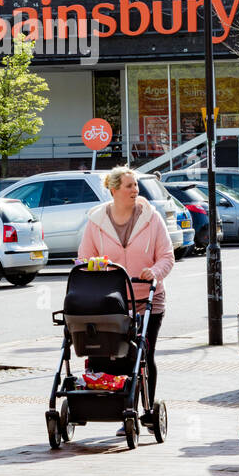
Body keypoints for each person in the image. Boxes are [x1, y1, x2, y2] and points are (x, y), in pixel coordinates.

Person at [77, 165, 174, 428]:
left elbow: (167, 256)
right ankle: (122, 408)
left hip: (147, 300)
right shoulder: (96, 222)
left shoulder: (151, 218)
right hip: (110, 302)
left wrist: (154, 272)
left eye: (136, 185)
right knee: (114, 355)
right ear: (114, 189)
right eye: (130, 185)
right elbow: (83, 259)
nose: (136, 190)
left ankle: (147, 411)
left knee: (142, 355)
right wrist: (94, 265)